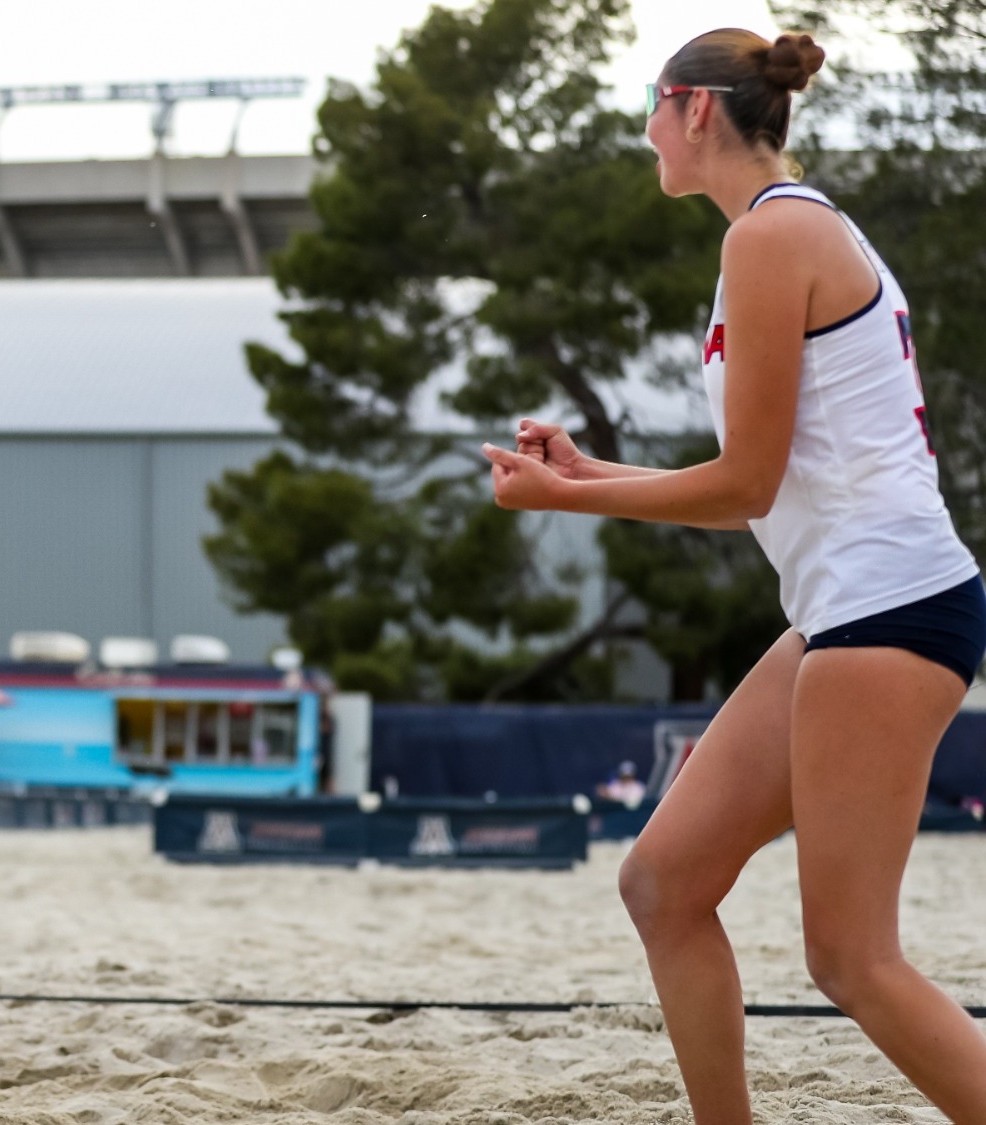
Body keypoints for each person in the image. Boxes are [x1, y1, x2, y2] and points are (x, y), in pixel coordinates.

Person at [482, 30, 986, 1123]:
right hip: (847, 609)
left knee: (851, 959)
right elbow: (765, 477)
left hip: (889, 605)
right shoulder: (780, 234)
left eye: (649, 113)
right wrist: (587, 470)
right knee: (661, 885)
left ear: (692, 110)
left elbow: (744, 486)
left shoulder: (771, 237)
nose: (644, 137)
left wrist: (563, 500)